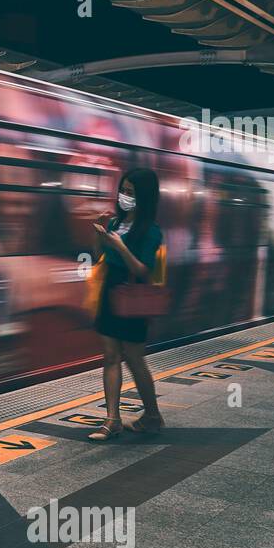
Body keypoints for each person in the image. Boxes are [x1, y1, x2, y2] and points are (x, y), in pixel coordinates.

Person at [85, 168, 166, 441]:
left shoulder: (151, 231)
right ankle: (112, 420)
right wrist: (100, 237)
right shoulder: (114, 224)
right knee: (109, 356)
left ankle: (153, 416)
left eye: (131, 192)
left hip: (133, 295)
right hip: (110, 290)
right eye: (123, 190)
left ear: (144, 197)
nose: (124, 196)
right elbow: (100, 257)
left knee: (134, 358)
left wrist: (120, 247)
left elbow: (144, 270)